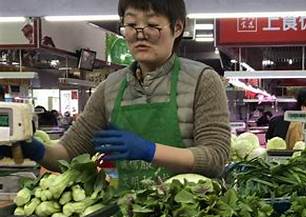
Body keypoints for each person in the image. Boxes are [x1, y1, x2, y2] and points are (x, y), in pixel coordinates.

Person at [1, 0, 230, 188]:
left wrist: (150, 151)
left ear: (177, 28)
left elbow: (216, 156)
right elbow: (68, 154)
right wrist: (36, 150)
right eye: (131, 25)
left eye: (151, 25)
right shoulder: (109, 88)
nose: (140, 35)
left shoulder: (202, 80)